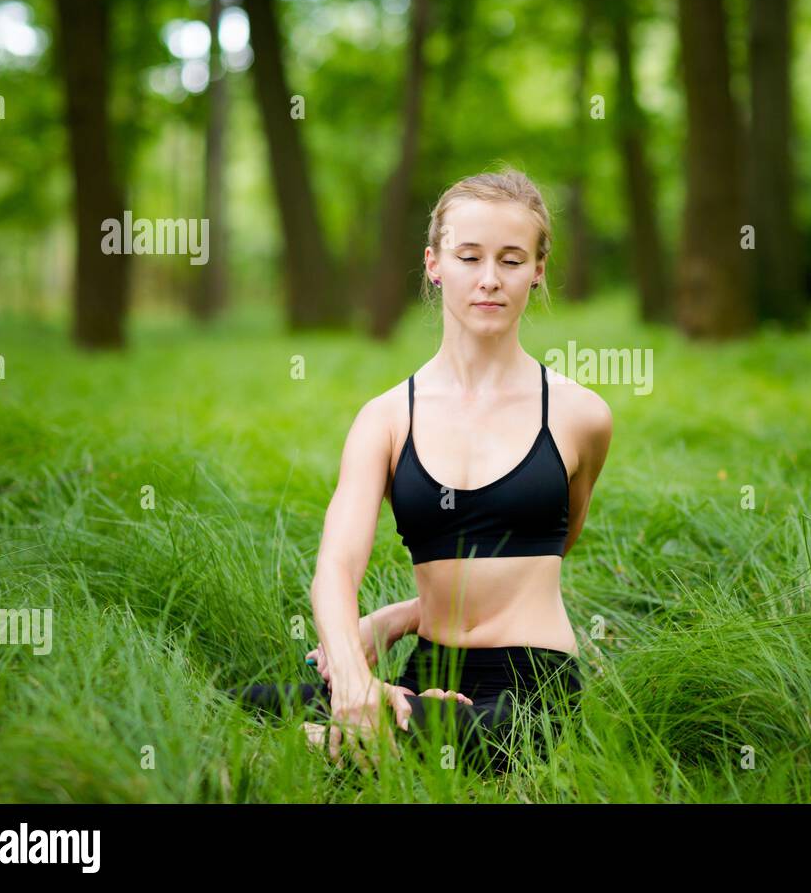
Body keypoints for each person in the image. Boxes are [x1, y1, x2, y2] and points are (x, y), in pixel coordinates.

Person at [229, 168, 613, 775]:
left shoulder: (580, 416)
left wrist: (394, 619)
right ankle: (369, 727)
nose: (489, 279)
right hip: (427, 668)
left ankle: (312, 748)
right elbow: (336, 566)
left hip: (531, 685)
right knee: (237, 705)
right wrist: (358, 678)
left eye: (512, 260)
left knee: (314, 743)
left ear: (537, 270)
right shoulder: (385, 419)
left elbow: (556, 540)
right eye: (469, 257)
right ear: (435, 264)